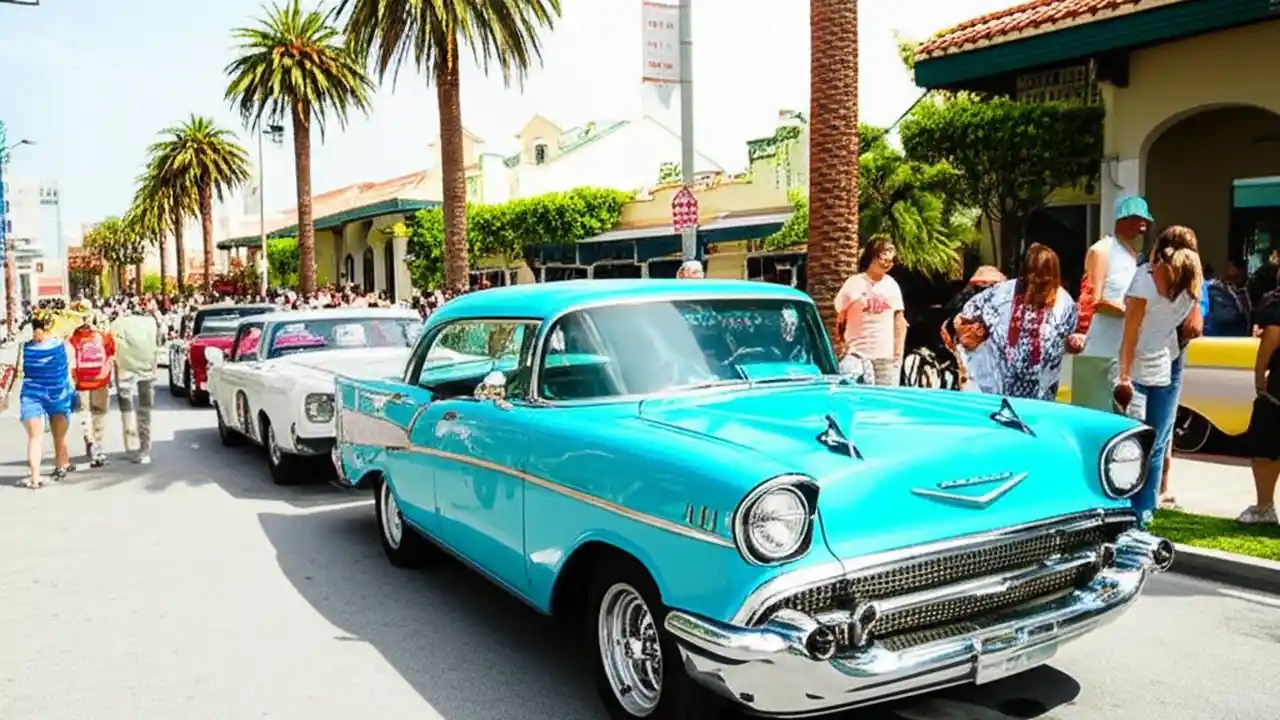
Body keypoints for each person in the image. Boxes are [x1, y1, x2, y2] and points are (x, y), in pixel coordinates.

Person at [1115, 226, 1203, 523]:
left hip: (1148, 365)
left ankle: (1135, 510)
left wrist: (1123, 374)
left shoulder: (1151, 278)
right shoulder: (1188, 279)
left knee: (1139, 443)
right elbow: (1192, 327)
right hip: (1161, 364)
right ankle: (1142, 511)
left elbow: (1130, 334)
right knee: (1152, 443)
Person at [956, 244, 1078, 400]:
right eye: (1034, 276)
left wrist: (1073, 343)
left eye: (1043, 278)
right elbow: (964, 317)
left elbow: (1066, 338)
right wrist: (973, 339)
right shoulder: (1000, 294)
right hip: (998, 386)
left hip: (1040, 393)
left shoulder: (1064, 304)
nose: (1037, 282)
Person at [1071, 196, 1152, 410]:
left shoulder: (1132, 255)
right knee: (1093, 413)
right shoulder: (1102, 250)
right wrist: (1132, 313)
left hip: (1121, 351)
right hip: (1099, 349)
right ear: (1123, 219)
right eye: (1138, 219)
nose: (1144, 225)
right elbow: (1095, 301)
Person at [1, 311, 76, 488]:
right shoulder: (62, 346)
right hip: (58, 394)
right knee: (59, 435)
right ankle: (60, 465)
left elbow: (15, 372)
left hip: (32, 396)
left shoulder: (24, 348)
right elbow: (68, 371)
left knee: (35, 438)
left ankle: (35, 477)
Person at [835, 235, 907, 386]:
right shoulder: (853, 284)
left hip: (885, 359)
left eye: (891, 261)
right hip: (857, 356)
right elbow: (841, 319)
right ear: (872, 258)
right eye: (884, 259)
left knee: (885, 404)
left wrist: (898, 354)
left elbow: (899, 321)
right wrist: (842, 345)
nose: (888, 264)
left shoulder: (892, 285)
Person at [110, 303, 162, 465]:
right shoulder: (152, 323)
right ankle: (145, 448)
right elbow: (159, 343)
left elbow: (112, 344)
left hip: (125, 368)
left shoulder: (119, 322)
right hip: (147, 370)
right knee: (145, 410)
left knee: (127, 409)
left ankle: (132, 446)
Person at [68, 308, 116, 467]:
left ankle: (89, 439)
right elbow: (111, 354)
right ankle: (98, 444)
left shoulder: (75, 337)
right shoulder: (104, 337)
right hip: (100, 379)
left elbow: (71, 358)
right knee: (99, 414)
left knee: (85, 413)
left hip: (82, 381)